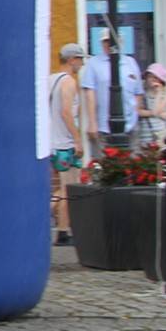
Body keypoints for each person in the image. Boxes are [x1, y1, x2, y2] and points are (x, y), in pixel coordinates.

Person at [47, 44, 86, 246]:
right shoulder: (69, 82)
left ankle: (59, 225)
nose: (82, 63)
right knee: (68, 188)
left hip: (52, 142)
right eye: (80, 59)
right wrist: (77, 139)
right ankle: (63, 231)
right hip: (65, 142)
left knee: (63, 188)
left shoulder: (50, 79)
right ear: (71, 60)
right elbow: (66, 112)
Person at [81, 31, 142, 156]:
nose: (110, 44)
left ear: (121, 42)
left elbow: (138, 92)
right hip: (105, 126)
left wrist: (135, 113)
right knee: (107, 164)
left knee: (132, 165)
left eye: (113, 41)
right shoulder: (94, 63)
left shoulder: (131, 62)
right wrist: (92, 123)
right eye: (106, 41)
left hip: (130, 125)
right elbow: (90, 93)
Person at [138, 63, 166, 148]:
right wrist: (159, 114)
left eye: (156, 77)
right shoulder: (142, 94)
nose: (153, 80)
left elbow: (156, 110)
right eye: (150, 76)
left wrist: (158, 93)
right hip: (145, 133)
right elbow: (139, 111)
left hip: (160, 133)